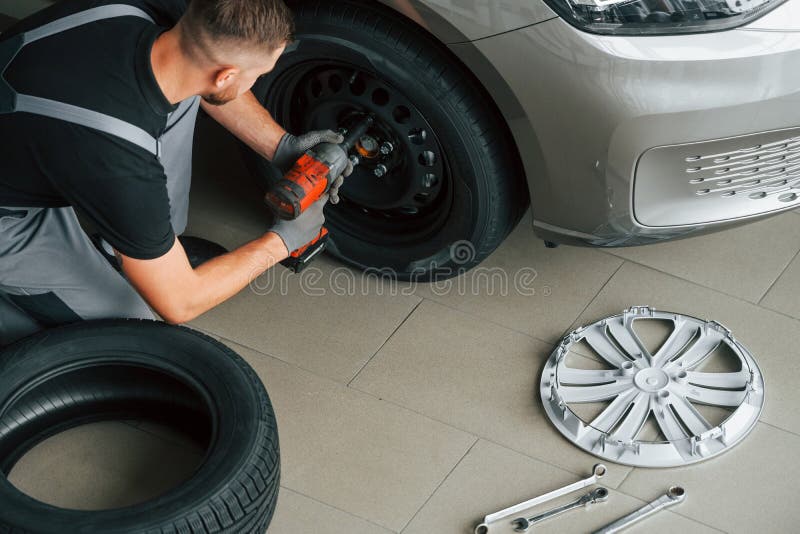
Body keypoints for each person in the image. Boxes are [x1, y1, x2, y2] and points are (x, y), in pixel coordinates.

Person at [0, 0, 352, 345]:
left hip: (32, 125)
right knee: (132, 320)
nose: (257, 80)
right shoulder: (119, 161)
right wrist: (281, 241)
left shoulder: (163, 15)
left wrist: (281, 146)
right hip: (11, 217)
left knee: (185, 93)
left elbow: (207, 81)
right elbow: (180, 303)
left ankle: (130, 249)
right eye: (257, 75)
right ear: (226, 75)